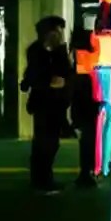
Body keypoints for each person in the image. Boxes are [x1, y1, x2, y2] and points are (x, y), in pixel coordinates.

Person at [21, 15, 71, 194]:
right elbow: (33, 76)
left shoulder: (59, 51)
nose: (60, 35)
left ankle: (44, 178)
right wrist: (49, 82)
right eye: (57, 31)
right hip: (43, 103)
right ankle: (41, 179)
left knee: (52, 143)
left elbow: (67, 72)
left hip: (57, 104)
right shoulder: (36, 51)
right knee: (43, 143)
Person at [69, 24, 99, 188]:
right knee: (90, 140)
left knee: (86, 141)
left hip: (83, 105)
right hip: (91, 104)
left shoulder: (79, 60)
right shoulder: (90, 59)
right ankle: (88, 172)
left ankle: (86, 172)